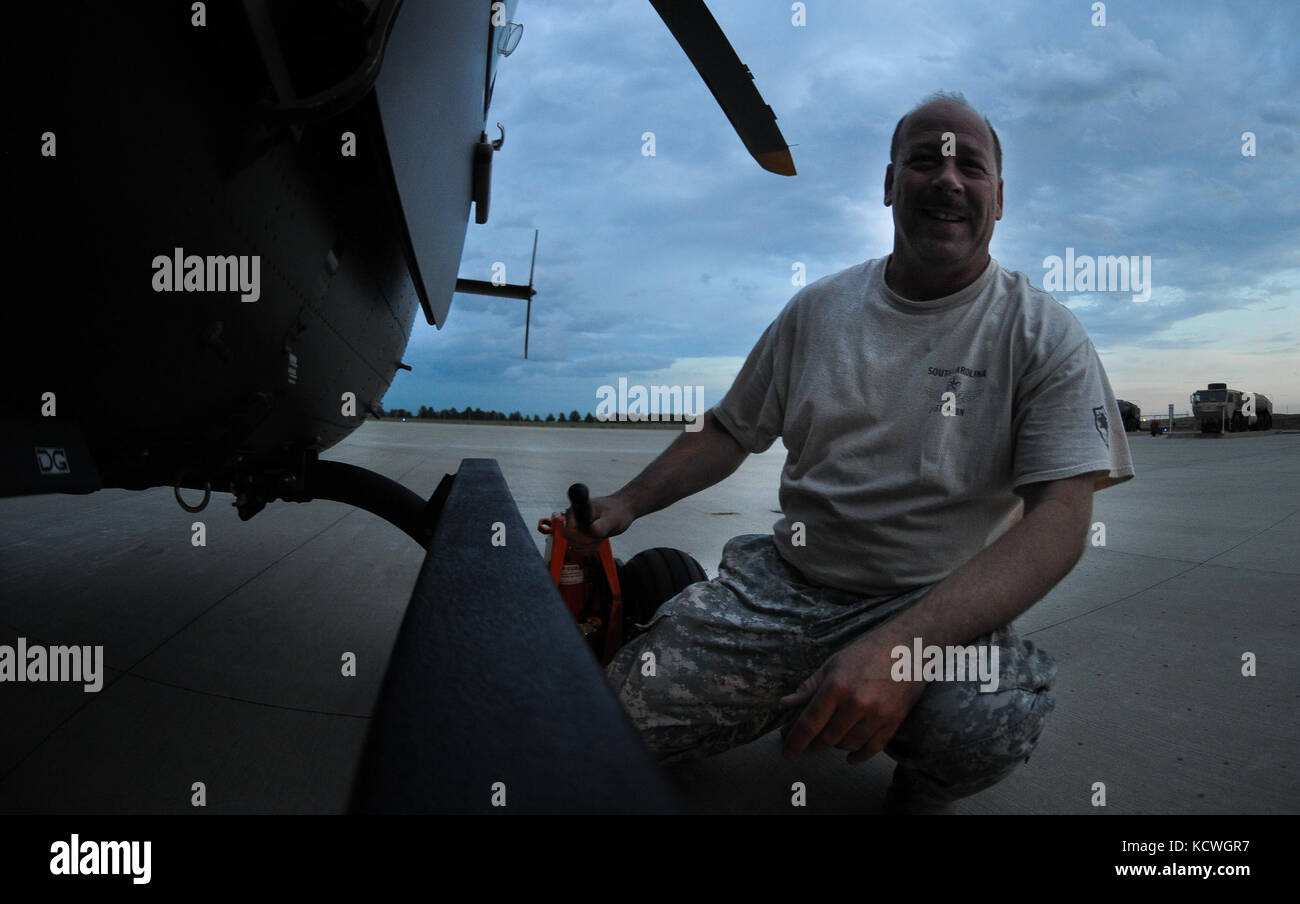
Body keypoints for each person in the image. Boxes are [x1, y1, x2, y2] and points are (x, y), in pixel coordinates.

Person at [560, 91, 1135, 812]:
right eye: (924, 160)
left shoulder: (1043, 334)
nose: (948, 179)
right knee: (613, 727)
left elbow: (1060, 518)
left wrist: (902, 649)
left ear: (999, 196)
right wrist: (626, 503)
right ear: (890, 184)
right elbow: (730, 431)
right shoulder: (819, 310)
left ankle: (918, 791)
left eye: (971, 166)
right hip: (788, 587)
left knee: (985, 723)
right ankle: (740, 650)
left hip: (936, 603)